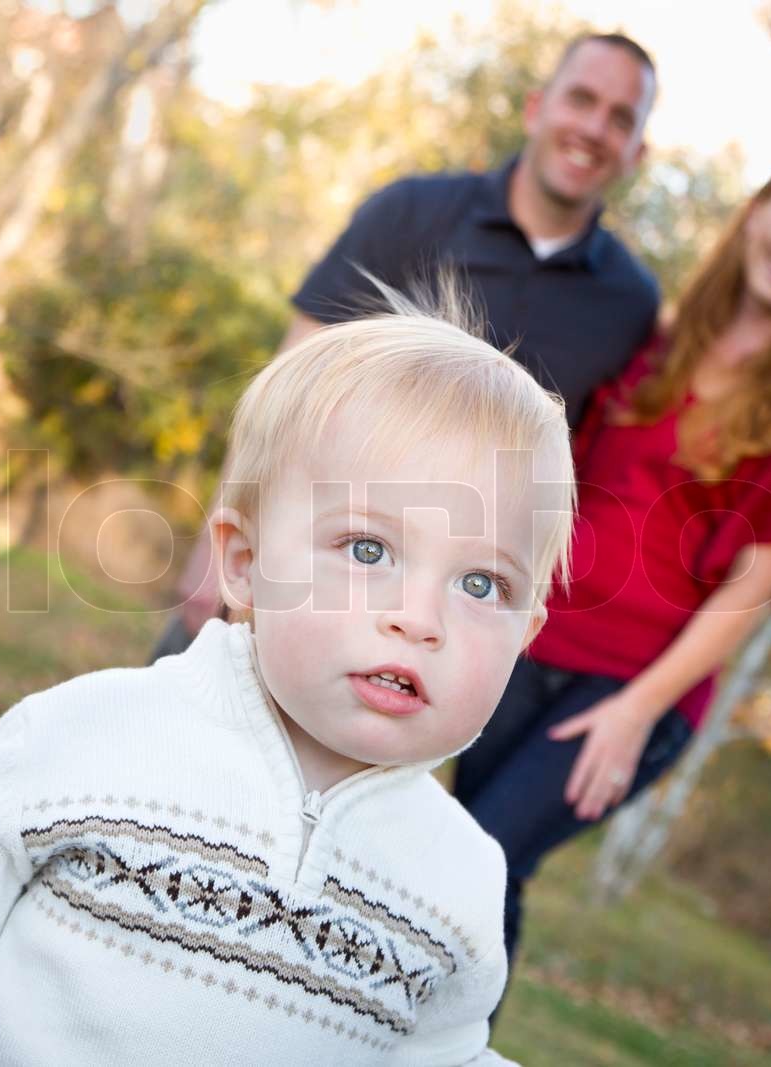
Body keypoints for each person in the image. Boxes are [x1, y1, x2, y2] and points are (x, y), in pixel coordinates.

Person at [0, 290, 577, 1064]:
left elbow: (439, 1051)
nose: (420, 616)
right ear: (242, 565)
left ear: (528, 629)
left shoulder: (460, 876)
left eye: (482, 581)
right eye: (367, 546)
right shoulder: (107, 732)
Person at [452, 151, 771, 986]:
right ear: (756, 212)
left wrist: (638, 710)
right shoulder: (660, 343)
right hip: (527, 641)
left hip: (629, 685)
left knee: (483, 860)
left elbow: (754, 585)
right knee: (456, 856)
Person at [151, 30, 661, 661]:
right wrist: (221, 537)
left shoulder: (631, 303)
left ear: (638, 151)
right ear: (536, 108)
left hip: (434, 633)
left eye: (620, 118)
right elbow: (284, 388)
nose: (593, 127)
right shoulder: (411, 212)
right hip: (305, 566)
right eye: (580, 99)